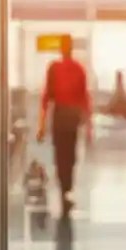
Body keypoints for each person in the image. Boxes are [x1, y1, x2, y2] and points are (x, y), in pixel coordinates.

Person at [37, 35, 93, 210]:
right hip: (69, 115)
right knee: (68, 154)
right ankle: (66, 187)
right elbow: (84, 99)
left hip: (62, 114)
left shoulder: (57, 68)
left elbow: (47, 97)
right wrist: (88, 124)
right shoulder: (77, 69)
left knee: (61, 153)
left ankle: (64, 187)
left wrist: (42, 125)